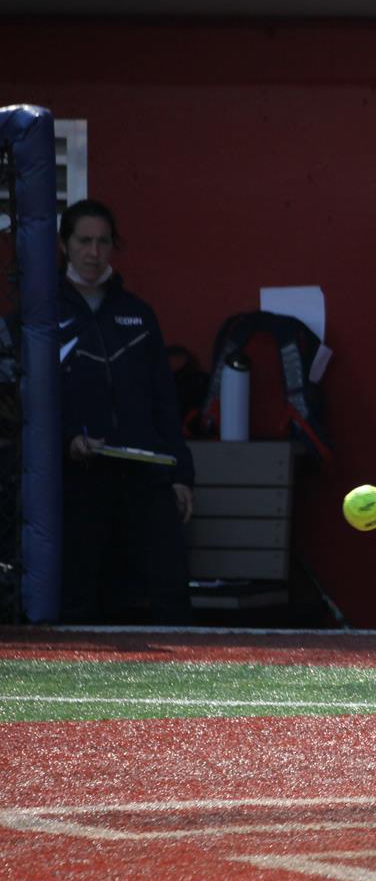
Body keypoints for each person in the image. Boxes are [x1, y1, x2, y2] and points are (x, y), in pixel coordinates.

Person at [56, 199, 196, 624]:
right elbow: (25, 403)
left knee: (171, 591)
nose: (94, 252)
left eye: (103, 242)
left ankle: (188, 680)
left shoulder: (137, 313)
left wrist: (180, 473)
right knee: (79, 595)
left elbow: (164, 401)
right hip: (79, 476)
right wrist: (69, 441)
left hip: (144, 470)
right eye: (84, 241)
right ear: (65, 245)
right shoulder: (42, 314)